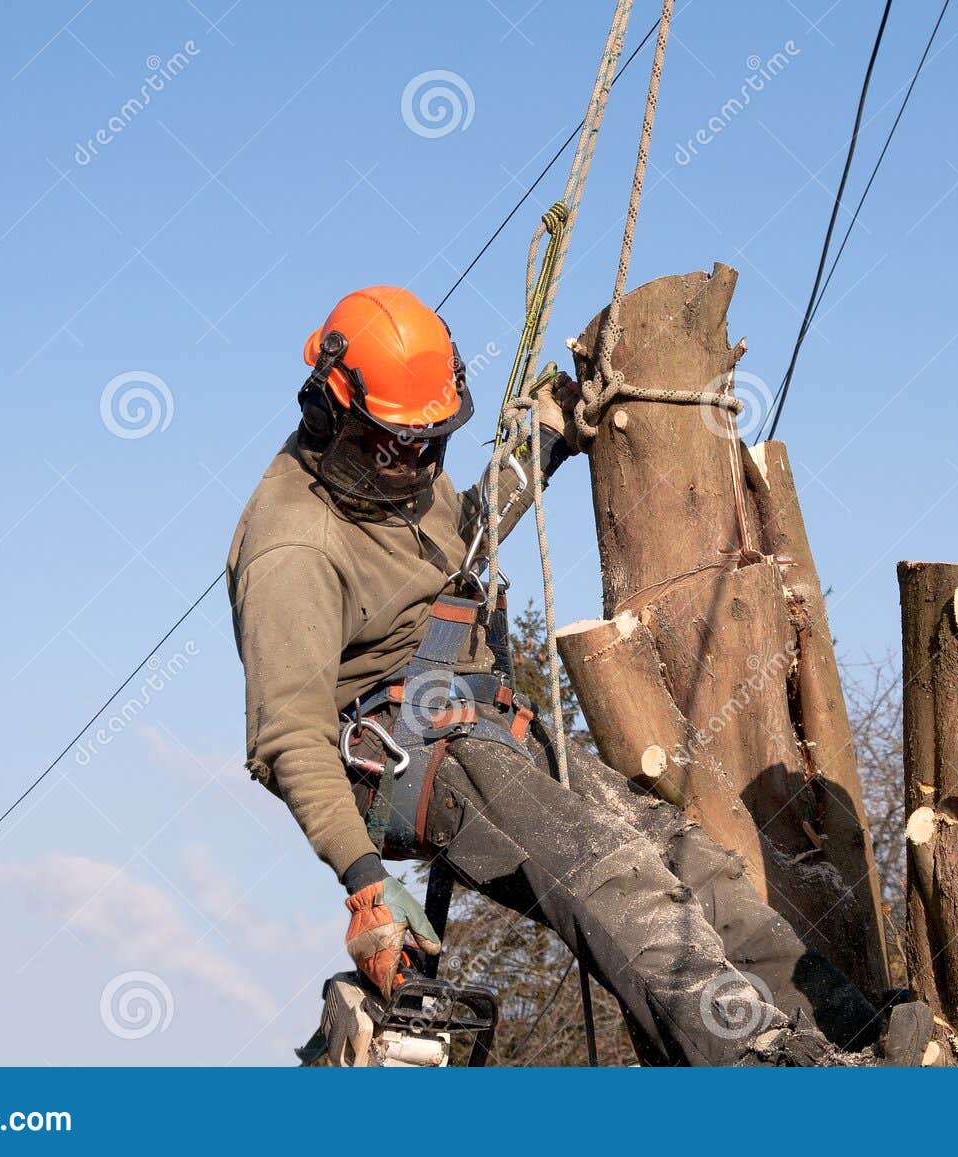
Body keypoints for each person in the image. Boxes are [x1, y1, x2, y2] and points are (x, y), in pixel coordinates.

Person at [226, 285, 883, 1065]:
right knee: (610, 877)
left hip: (482, 719)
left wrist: (543, 441)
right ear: (331, 413)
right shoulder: (291, 546)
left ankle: (856, 1031)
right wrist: (366, 884)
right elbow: (286, 740)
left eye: (426, 444)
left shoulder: (404, 462)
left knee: (682, 856)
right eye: (390, 446)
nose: (410, 465)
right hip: (406, 753)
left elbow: (458, 545)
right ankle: (760, 1065)